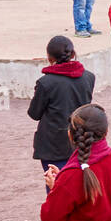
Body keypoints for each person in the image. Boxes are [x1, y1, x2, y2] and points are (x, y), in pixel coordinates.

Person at [29, 36, 95, 203]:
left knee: (55, 187)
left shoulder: (46, 83)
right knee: (80, 184)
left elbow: (34, 113)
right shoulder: (88, 77)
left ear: (50, 58)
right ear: (73, 53)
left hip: (53, 143)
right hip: (82, 140)